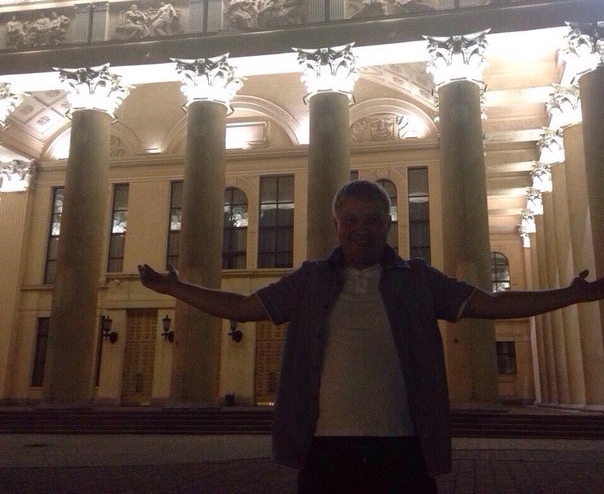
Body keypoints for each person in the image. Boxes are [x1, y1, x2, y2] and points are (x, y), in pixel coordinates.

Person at [138, 179, 604, 493]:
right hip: (326, 448)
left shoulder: (418, 280)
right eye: (351, 219)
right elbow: (242, 308)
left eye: (372, 219)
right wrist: (176, 289)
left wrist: (569, 295)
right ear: (337, 224)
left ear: (388, 224)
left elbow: (492, 304)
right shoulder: (310, 279)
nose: (361, 229)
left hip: (403, 446)